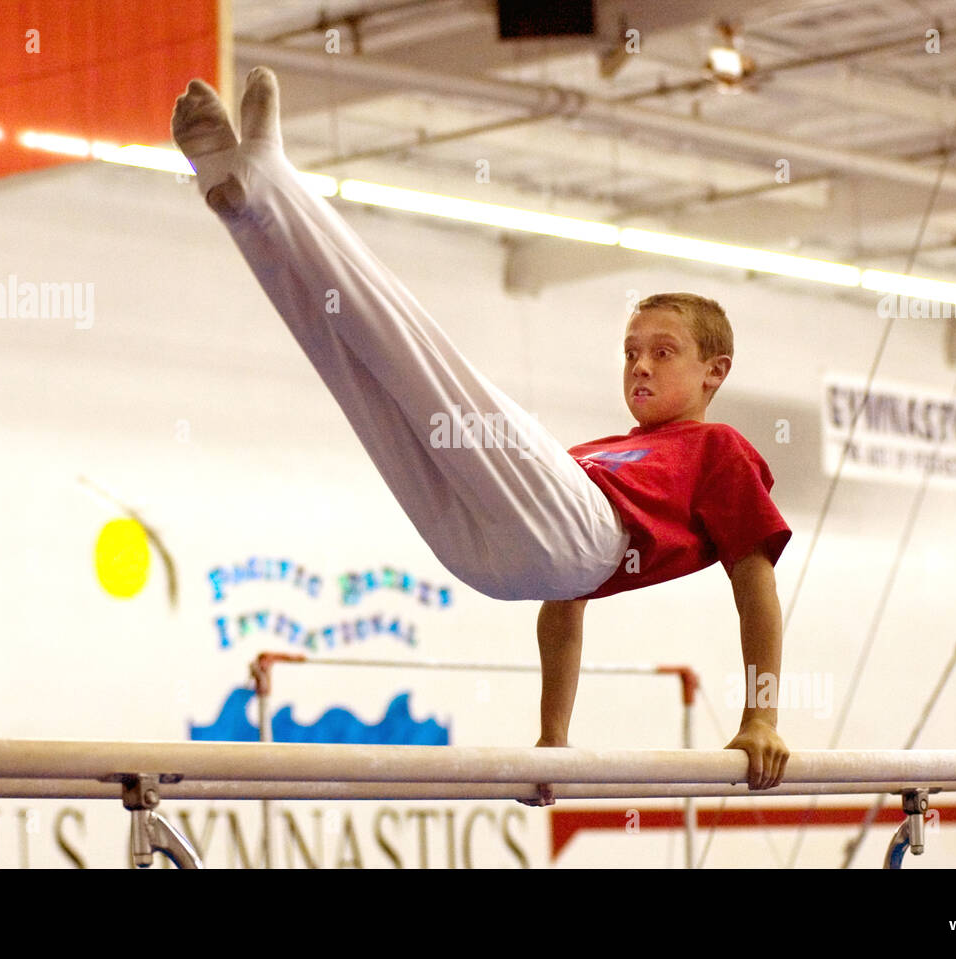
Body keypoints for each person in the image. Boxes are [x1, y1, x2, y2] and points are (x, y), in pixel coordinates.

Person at [171, 67, 792, 801]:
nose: (640, 367)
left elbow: (754, 583)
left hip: (552, 545)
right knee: (368, 374)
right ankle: (247, 208)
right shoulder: (596, 453)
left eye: (663, 352)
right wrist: (552, 743)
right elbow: (564, 607)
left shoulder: (717, 449)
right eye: (630, 351)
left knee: (408, 356)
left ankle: (274, 181)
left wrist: (761, 716)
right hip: (527, 556)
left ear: (716, 370)